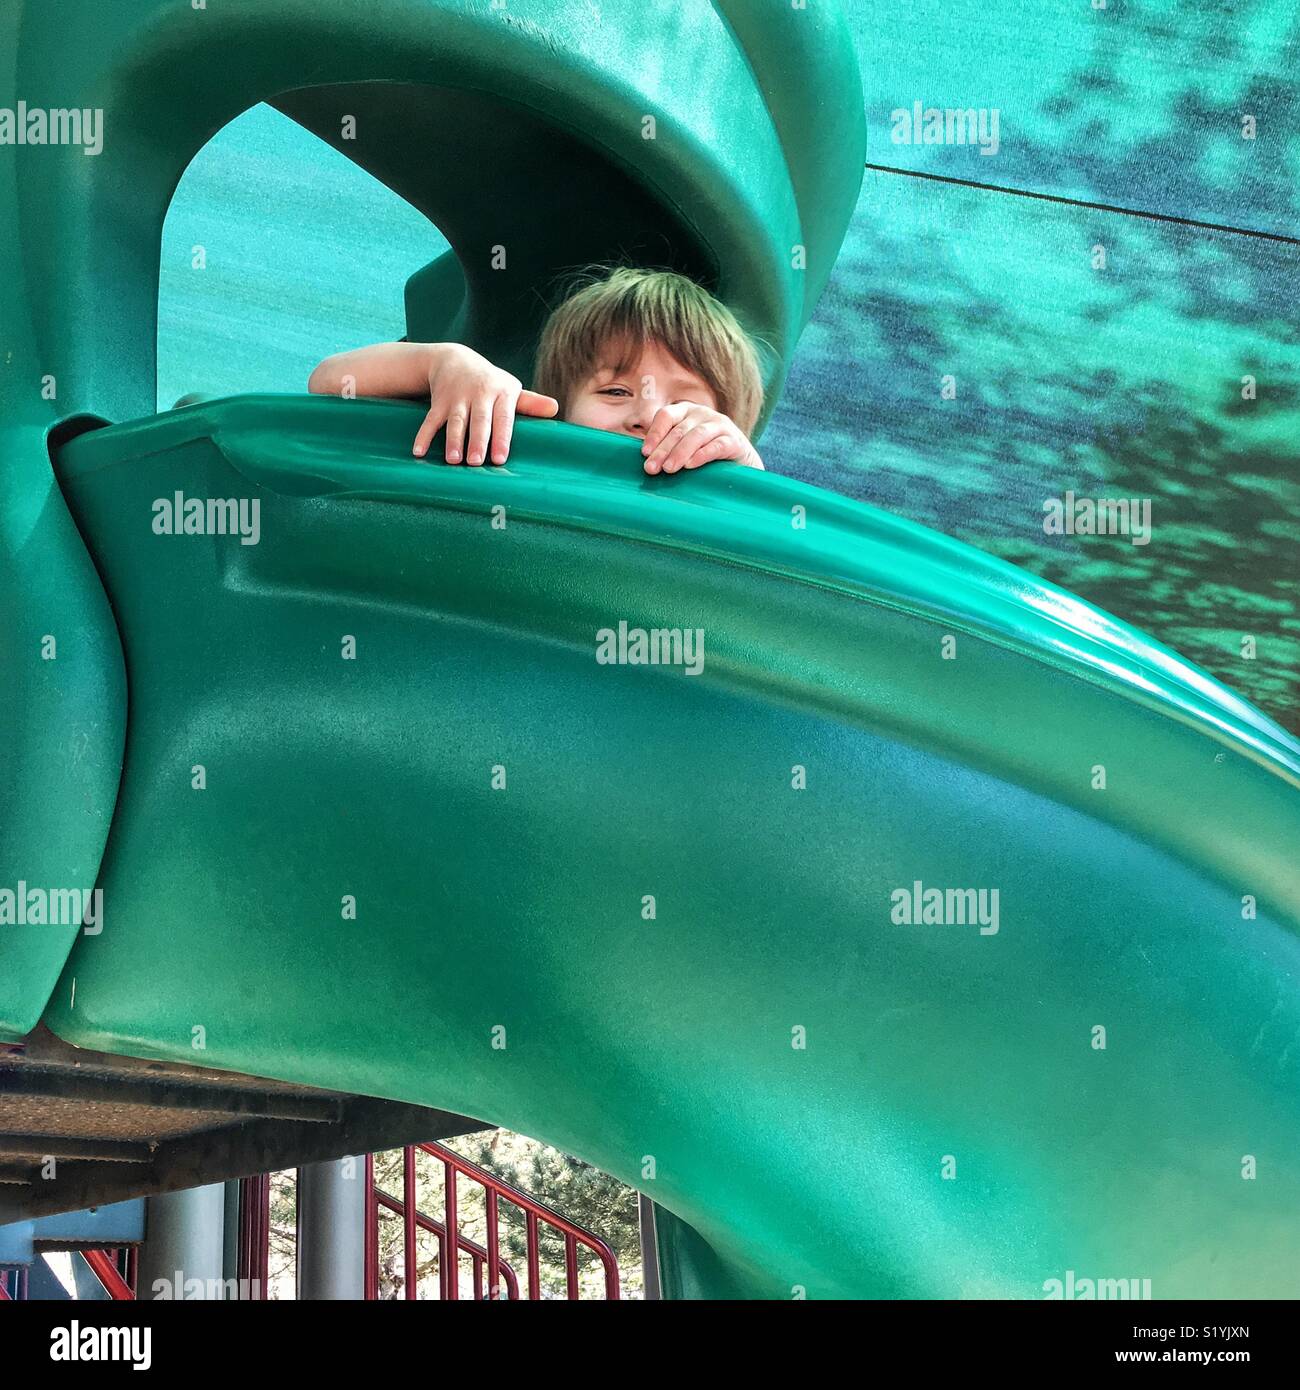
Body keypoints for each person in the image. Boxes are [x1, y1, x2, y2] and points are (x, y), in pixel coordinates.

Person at [308, 265, 767, 475]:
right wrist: (444, 362)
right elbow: (328, 383)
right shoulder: (514, 451)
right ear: (558, 409)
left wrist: (747, 473)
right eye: (615, 392)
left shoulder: (726, 492)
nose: (647, 415)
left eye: (683, 404)